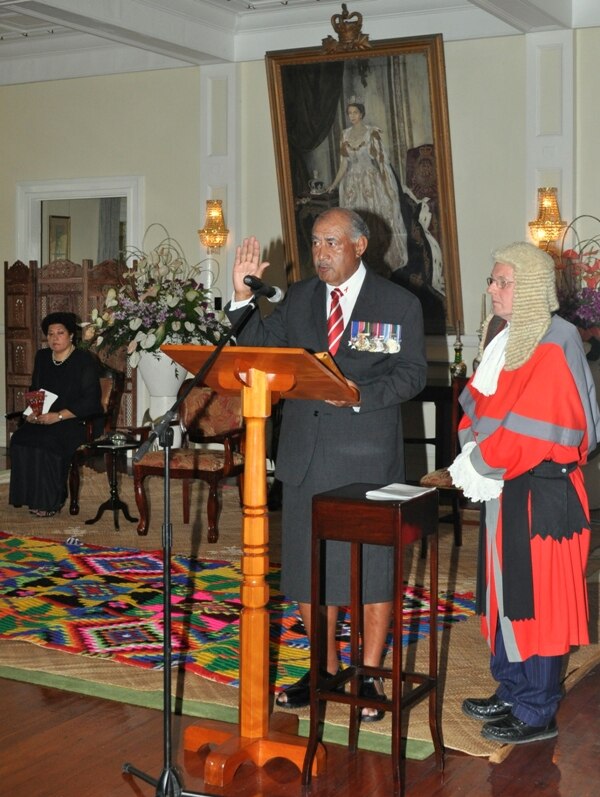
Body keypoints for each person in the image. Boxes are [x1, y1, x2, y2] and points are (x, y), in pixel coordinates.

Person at [226, 208, 427, 720]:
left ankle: (369, 675)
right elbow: (261, 352)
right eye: (316, 243)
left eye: (332, 243)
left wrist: (360, 394)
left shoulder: (398, 303)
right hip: (306, 456)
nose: (321, 253)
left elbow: (411, 375)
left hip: (367, 459)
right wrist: (244, 300)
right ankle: (324, 669)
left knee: (370, 573)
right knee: (308, 572)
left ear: (360, 245)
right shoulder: (298, 298)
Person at [448, 242, 600, 744]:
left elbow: (541, 428)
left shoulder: (557, 342)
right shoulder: (507, 337)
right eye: (492, 280)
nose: (491, 289)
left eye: (501, 281)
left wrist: (481, 460)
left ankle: (538, 708)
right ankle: (512, 688)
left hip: (543, 496)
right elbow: (480, 406)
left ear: (531, 287)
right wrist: (473, 447)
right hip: (505, 486)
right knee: (504, 597)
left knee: (539, 603)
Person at [9, 312, 103, 518]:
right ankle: (29, 496)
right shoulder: (42, 357)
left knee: (49, 441)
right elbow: (36, 388)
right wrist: (33, 413)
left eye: (60, 333)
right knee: (20, 438)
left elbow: (90, 400)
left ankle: (51, 501)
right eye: (50, 334)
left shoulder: (83, 359)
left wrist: (58, 416)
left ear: (71, 336)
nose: (54, 338)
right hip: (45, 416)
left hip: (76, 419)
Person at [327, 100, 409, 273]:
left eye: (355, 112)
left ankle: (377, 259)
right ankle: (358, 262)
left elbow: (381, 162)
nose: (352, 116)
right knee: (354, 223)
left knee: (374, 218)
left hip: (371, 182)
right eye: (349, 113)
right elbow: (344, 165)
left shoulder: (372, 133)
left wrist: (388, 187)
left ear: (361, 114)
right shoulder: (345, 135)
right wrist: (333, 185)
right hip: (352, 184)